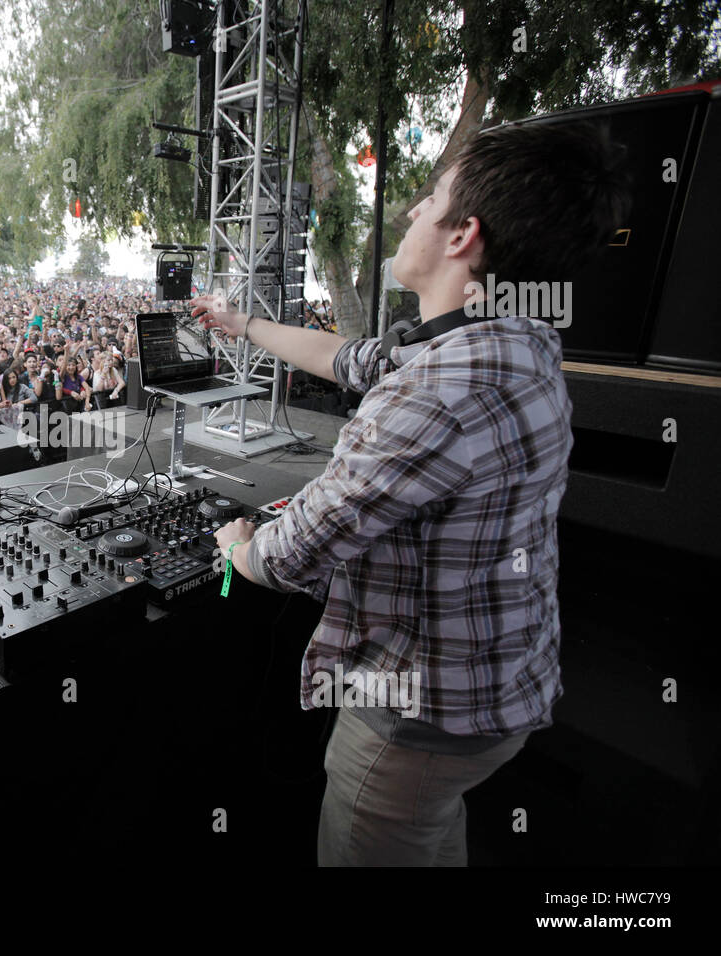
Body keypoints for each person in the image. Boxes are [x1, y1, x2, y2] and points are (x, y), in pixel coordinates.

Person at [194, 119, 631, 866]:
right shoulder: (522, 345)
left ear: (463, 235)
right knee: (427, 835)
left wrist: (239, 547)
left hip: (417, 718)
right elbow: (349, 357)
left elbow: (296, 551)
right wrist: (241, 325)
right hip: (501, 688)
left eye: (429, 200)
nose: (410, 212)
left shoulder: (436, 394)